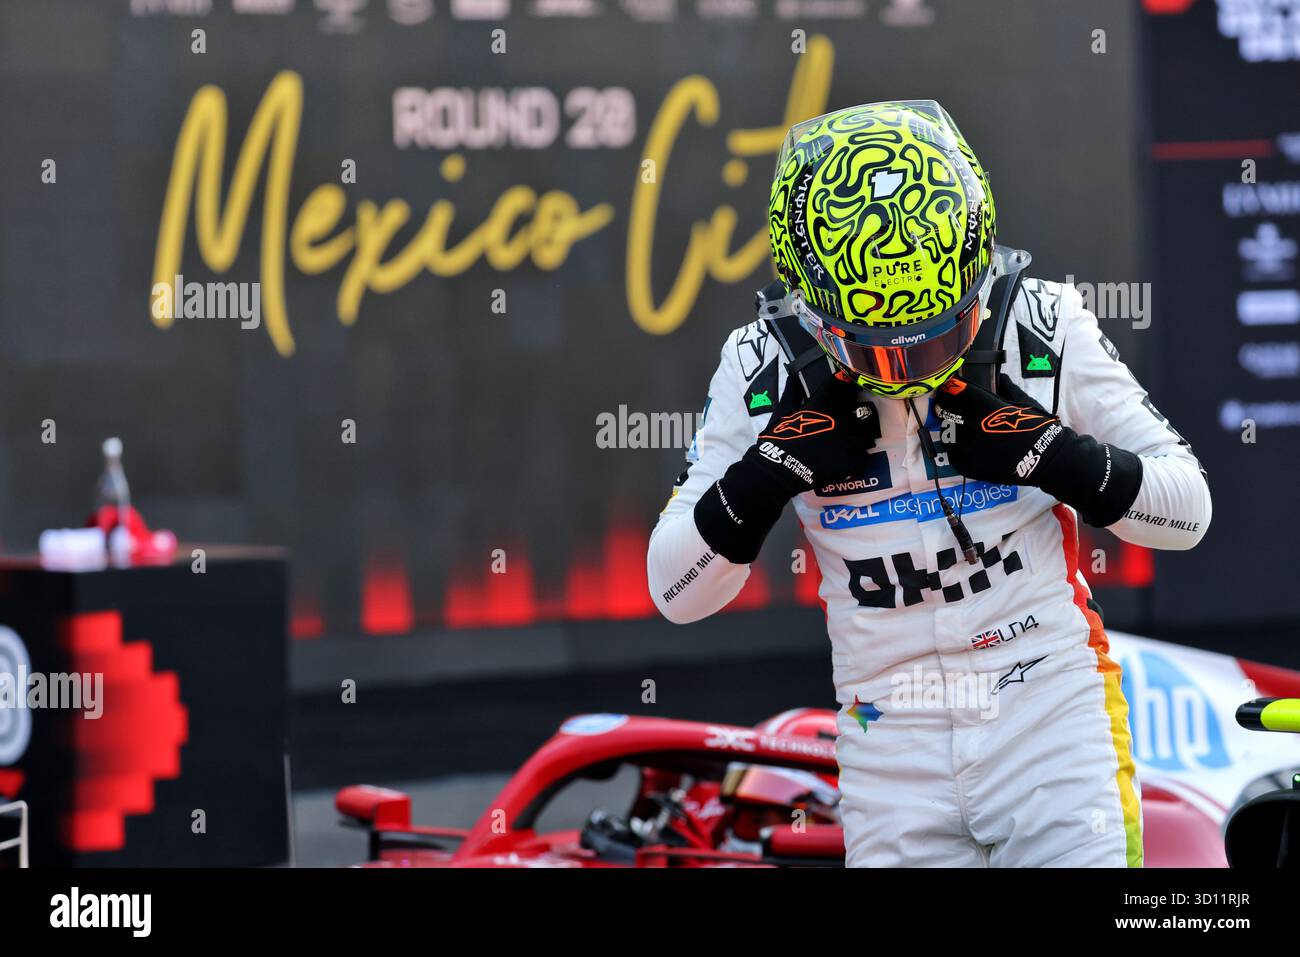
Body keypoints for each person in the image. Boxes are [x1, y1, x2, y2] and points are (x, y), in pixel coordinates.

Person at [646, 100, 1211, 867]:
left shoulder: (1039, 321)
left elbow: (1187, 512)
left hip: (1048, 706)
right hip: (887, 731)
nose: (912, 368)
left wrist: (1045, 450)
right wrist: (770, 468)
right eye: (879, 348)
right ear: (809, 302)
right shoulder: (761, 363)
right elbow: (676, 592)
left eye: (944, 331)